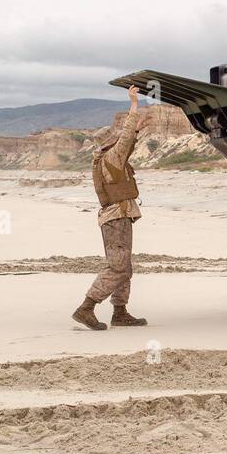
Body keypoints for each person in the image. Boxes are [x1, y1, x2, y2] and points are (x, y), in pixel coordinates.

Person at [71, 85, 149, 330]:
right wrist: (134, 105)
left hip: (116, 217)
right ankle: (86, 308)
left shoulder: (105, 158)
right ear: (109, 143)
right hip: (116, 217)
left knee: (124, 266)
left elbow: (128, 140)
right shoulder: (111, 157)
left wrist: (136, 128)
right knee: (118, 266)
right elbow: (126, 139)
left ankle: (120, 311)